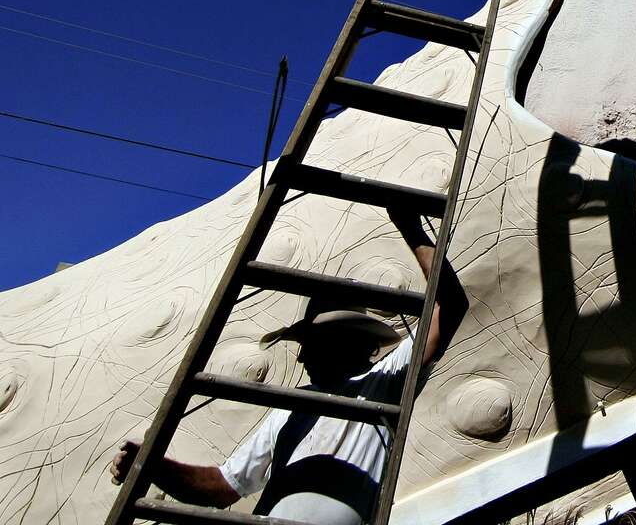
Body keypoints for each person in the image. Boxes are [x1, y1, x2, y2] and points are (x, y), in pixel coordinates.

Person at [109, 206, 467, 525]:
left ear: (347, 343)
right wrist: (151, 465)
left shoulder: (383, 384)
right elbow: (223, 486)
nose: (301, 357)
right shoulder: (291, 409)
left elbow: (451, 306)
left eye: (311, 345)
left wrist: (412, 230)